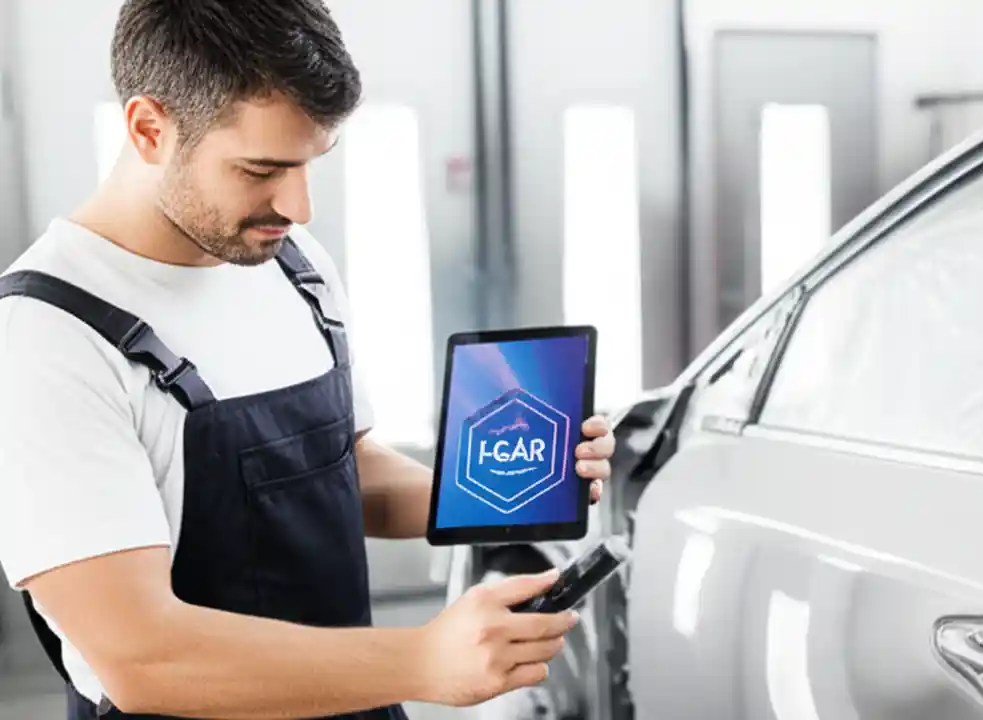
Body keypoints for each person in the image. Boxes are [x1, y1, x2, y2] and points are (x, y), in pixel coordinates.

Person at [0, 1, 617, 718]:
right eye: (262, 168)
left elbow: (340, 472)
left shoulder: (294, 266)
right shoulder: (45, 338)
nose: (298, 205)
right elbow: (144, 656)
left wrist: (510, 483)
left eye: (309, 163)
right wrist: (422, 660)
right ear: (149, 129)